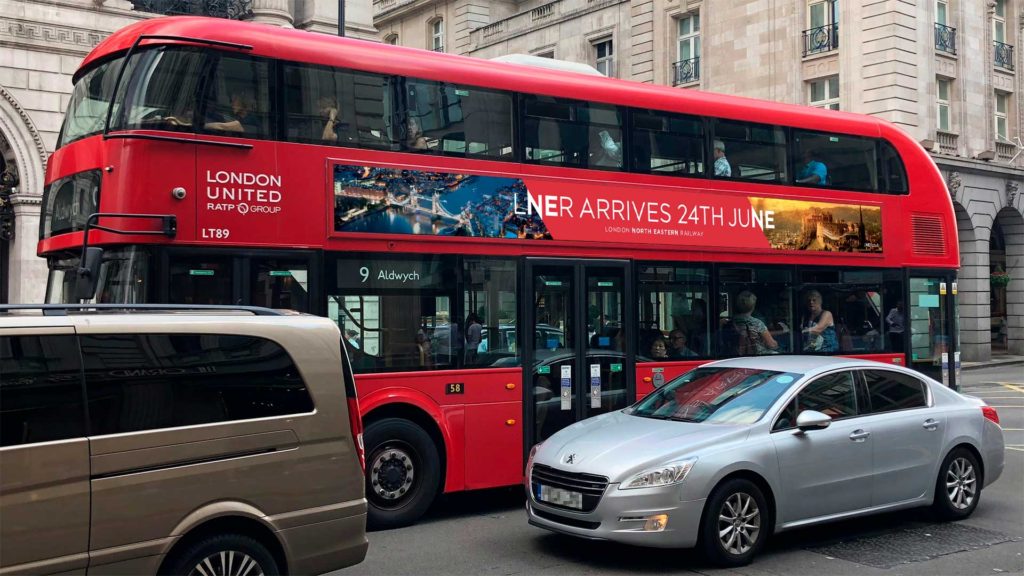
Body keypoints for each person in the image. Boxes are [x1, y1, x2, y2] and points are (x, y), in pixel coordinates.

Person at [730, 290, 780, 355]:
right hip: (758, 355)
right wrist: (776, 343)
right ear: (753, 306)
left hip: (737, 354)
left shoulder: (731, 321)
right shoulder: (756, 323)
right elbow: (772, 345)